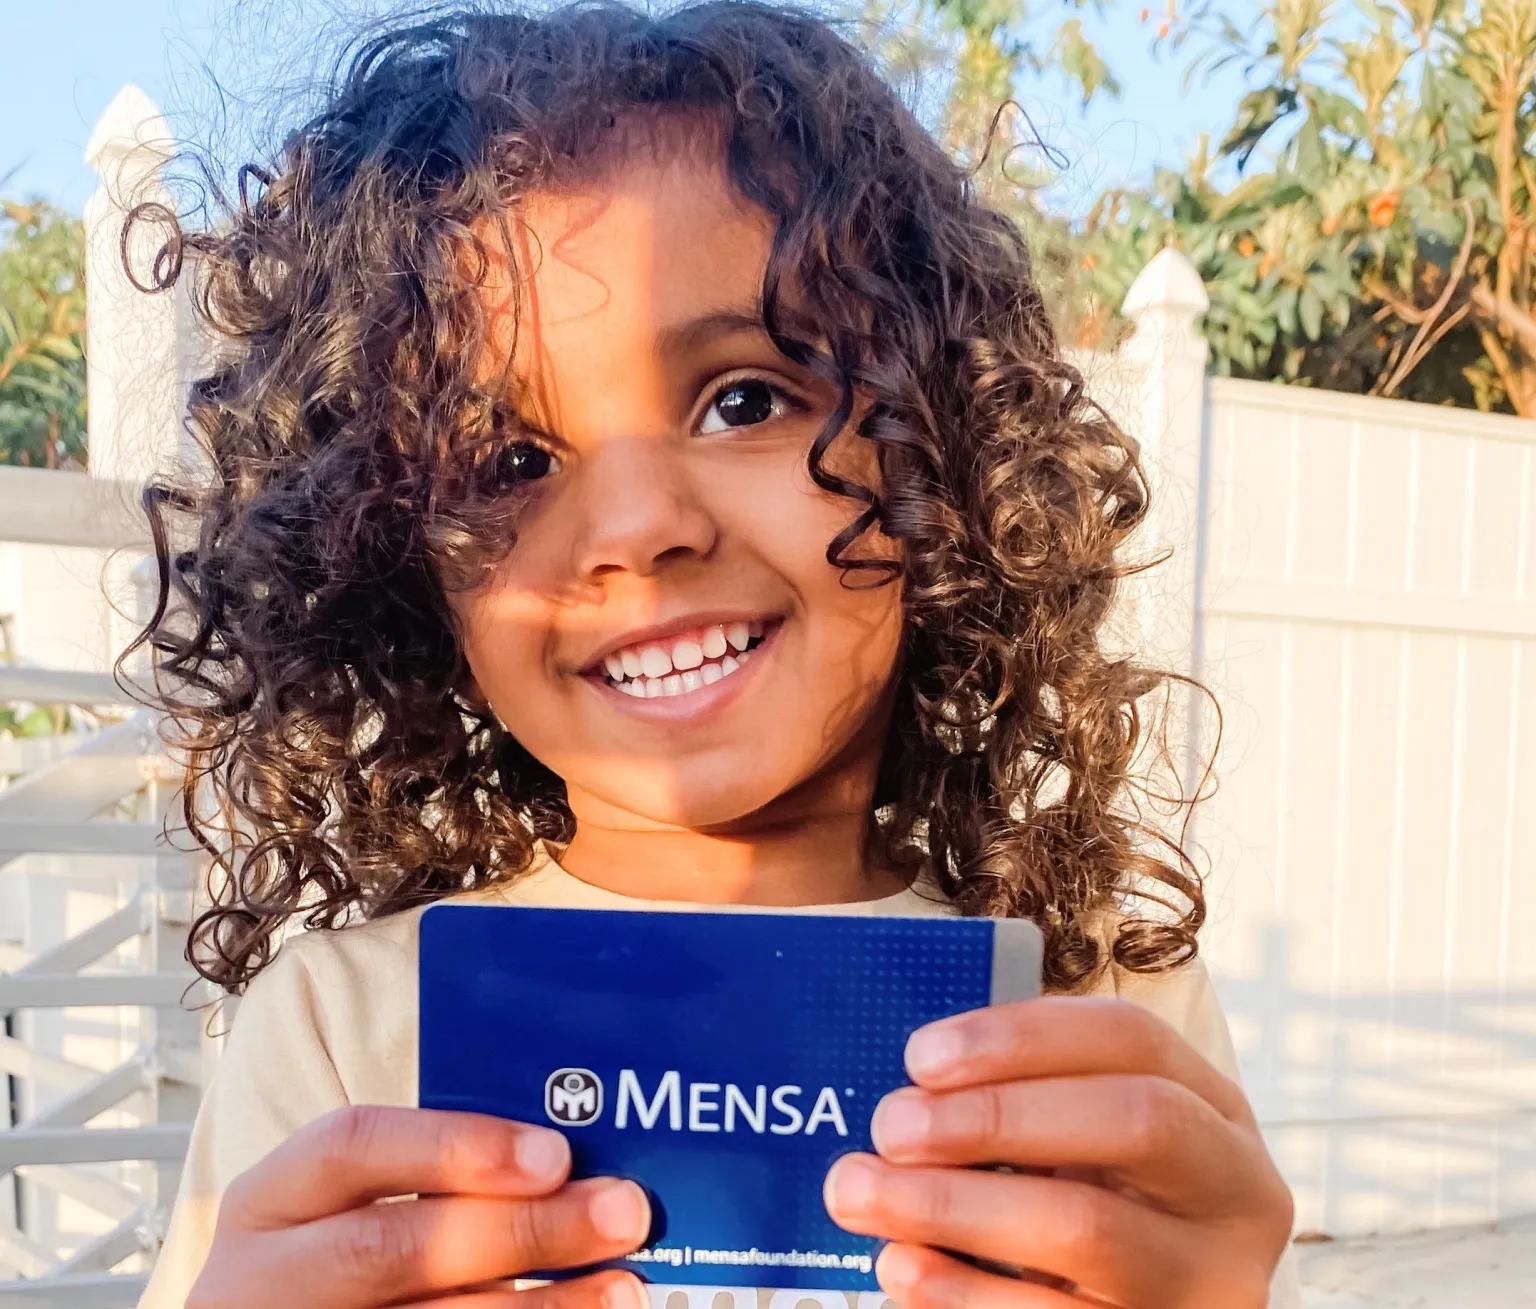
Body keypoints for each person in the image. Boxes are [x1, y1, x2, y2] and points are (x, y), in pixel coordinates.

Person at [130, 3, 1297, 1306]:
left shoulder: (1102, 1012)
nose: (637, 528)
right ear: (398, 571)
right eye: (508, 462)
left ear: (936, 447)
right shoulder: (339, 1037)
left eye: (744, 400)